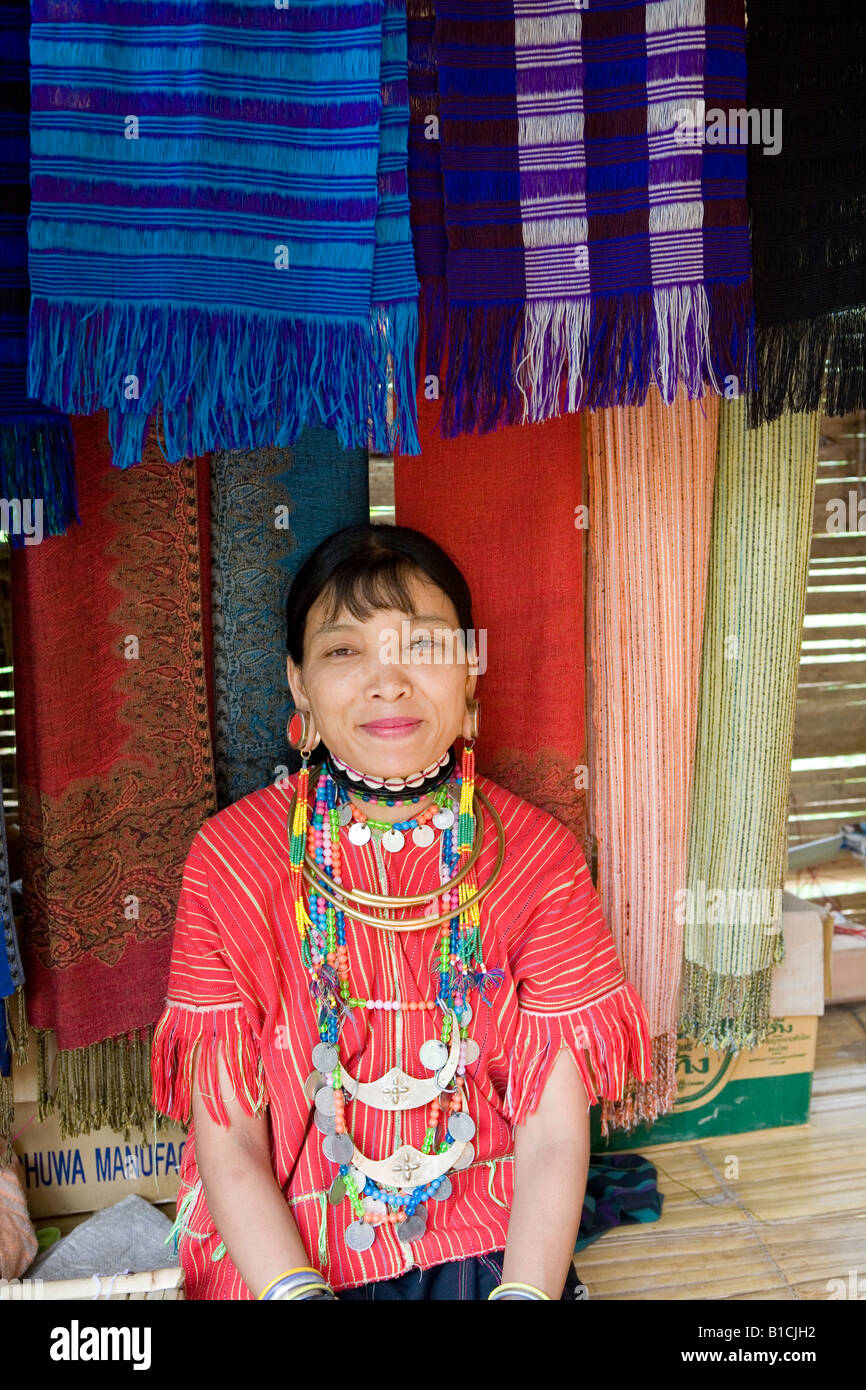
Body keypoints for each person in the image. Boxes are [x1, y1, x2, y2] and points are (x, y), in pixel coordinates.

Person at [151, 523, 652, 1300]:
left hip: (489, 1249)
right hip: (286, 1256)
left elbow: (553, 1135)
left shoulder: (539, 858)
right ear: (298, 684)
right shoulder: (230, 861)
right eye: (346, 651)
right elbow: (231, 1140)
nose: (388, 683)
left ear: (470, 671)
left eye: (422, 646)